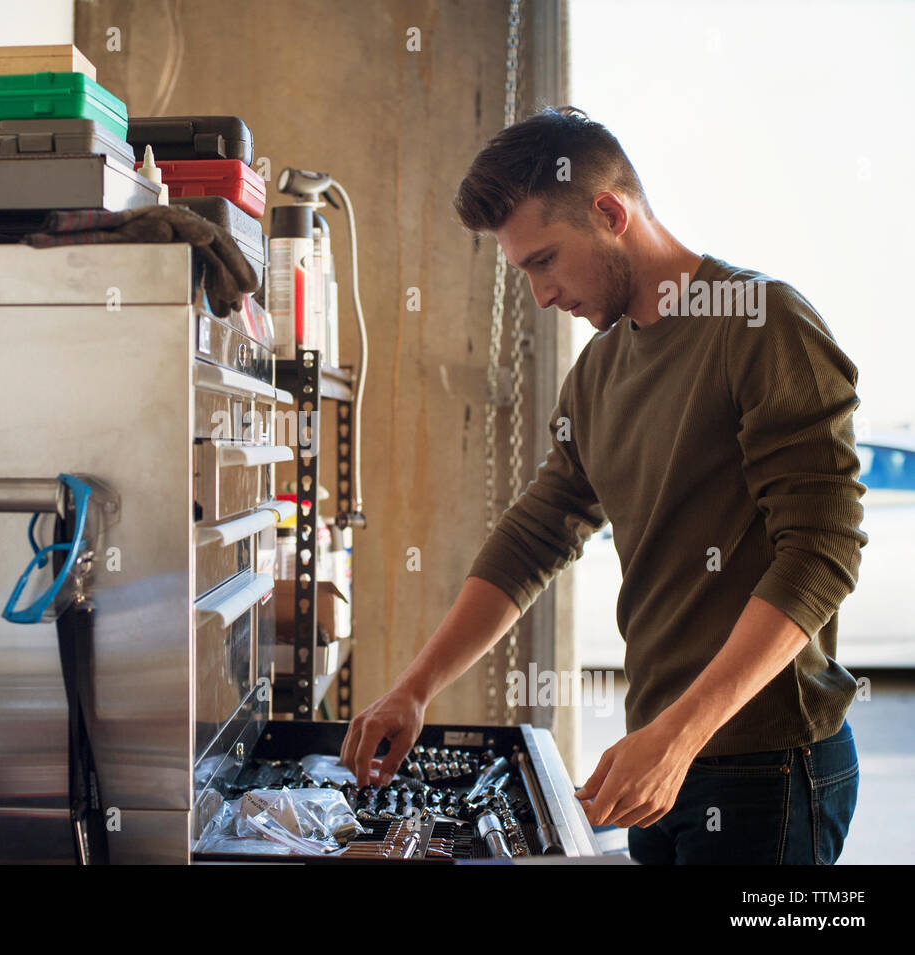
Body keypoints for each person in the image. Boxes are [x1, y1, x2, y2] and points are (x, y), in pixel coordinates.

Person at [338, 106, 865, 865]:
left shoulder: (759, 323)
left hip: (767, 765)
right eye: (525, 270)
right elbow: (534, 537)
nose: (541, 294)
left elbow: (823, 550)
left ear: (611, 212)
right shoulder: (598, 371)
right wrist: (415, 688)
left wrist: (682, 734)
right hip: (658, 758)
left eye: (544, 260)